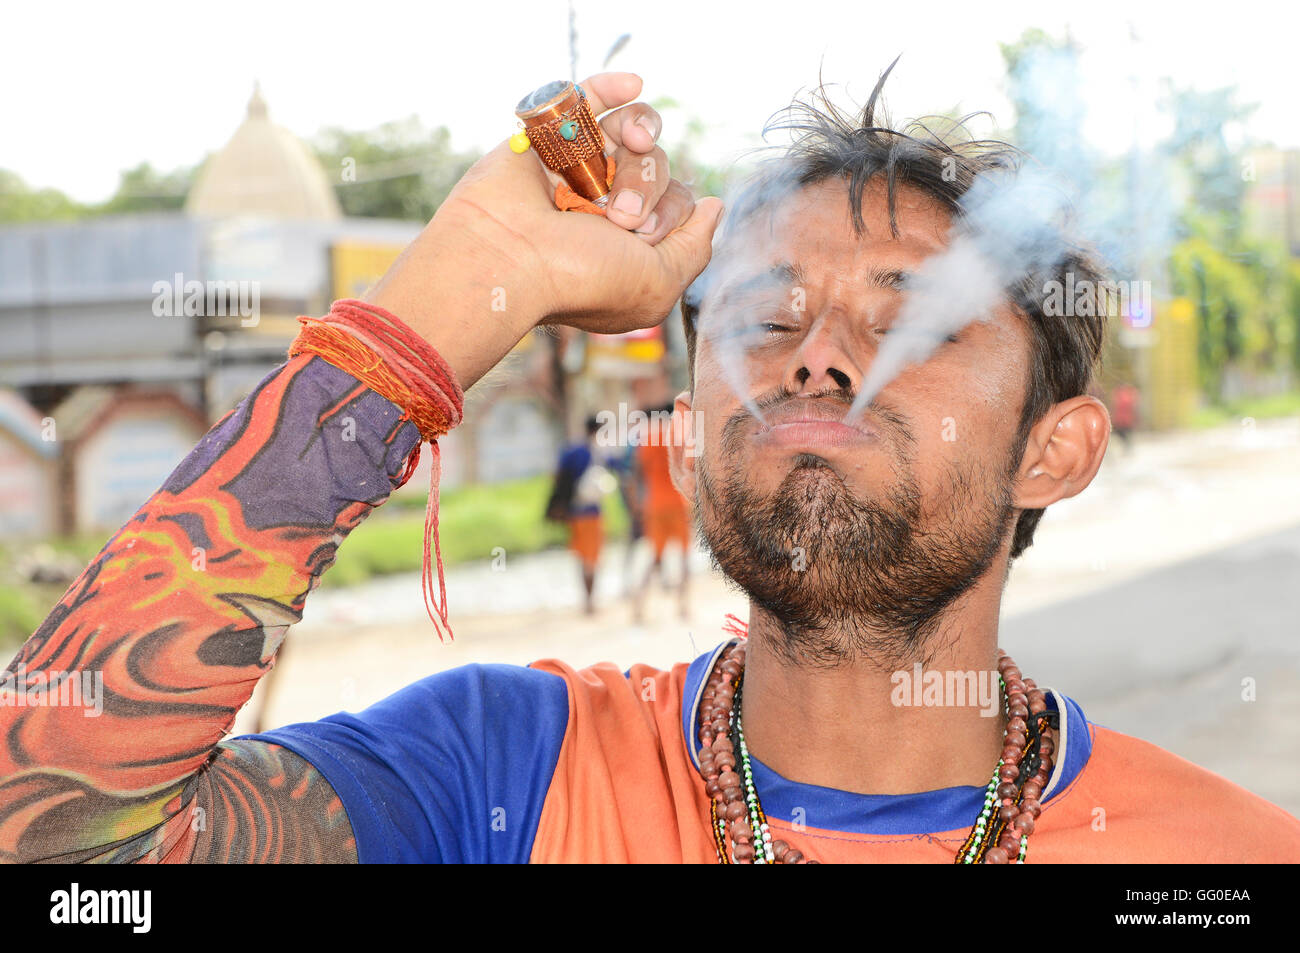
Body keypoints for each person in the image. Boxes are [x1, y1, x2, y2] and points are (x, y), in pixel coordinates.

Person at [3, 68, 1299, 864]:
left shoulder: (1217, 861)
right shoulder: (501, 776)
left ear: (1055, 451)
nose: (817, 360)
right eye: (763, 315)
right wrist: (446, 307)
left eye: (913, 319)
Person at [631, 403, 691, 623]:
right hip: (678, 501)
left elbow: (637, 472)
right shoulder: (678, 434)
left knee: (654, 556)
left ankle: (639, 605)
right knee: (684, 556)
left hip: (654, 503)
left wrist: (636, 501)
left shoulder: (645, 438)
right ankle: (683, 606)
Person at [548, 415, 609, 614]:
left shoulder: (572, 451)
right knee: (592, 559)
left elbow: (558, 477)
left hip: (575, 512)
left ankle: (587, 600)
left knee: (583, 558)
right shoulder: (597, 452)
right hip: (591, 512)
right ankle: (590, 601)